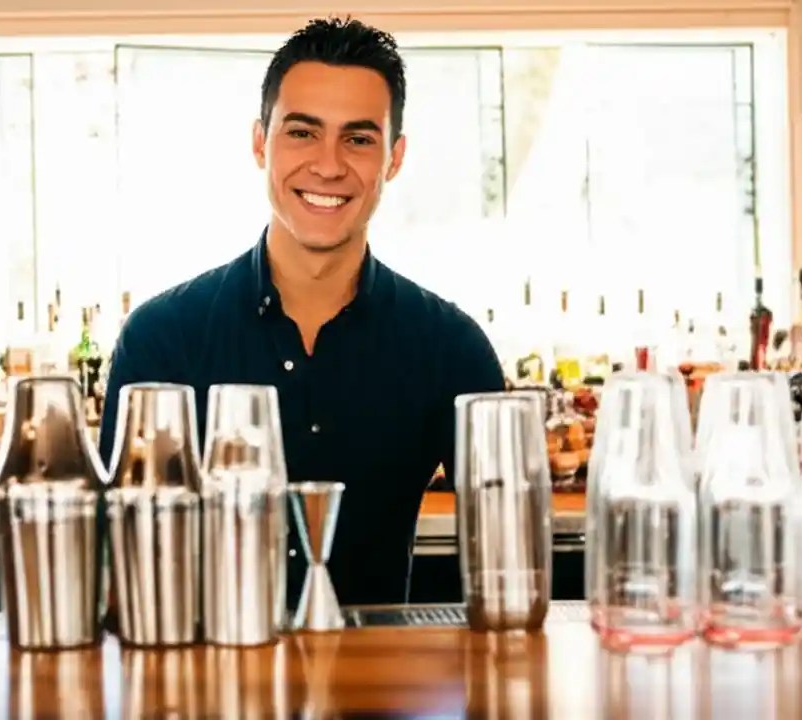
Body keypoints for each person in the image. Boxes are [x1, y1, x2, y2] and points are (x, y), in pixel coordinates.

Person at [98, 16, 505, 606]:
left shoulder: (452, 348)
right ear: (260, 142)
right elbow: (124, 568)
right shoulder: (162, 339)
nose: (329, 165)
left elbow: (505, 566)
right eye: (303, 133)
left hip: (377, 689)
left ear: (393, 157)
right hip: (205, 692)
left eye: (359, 139)